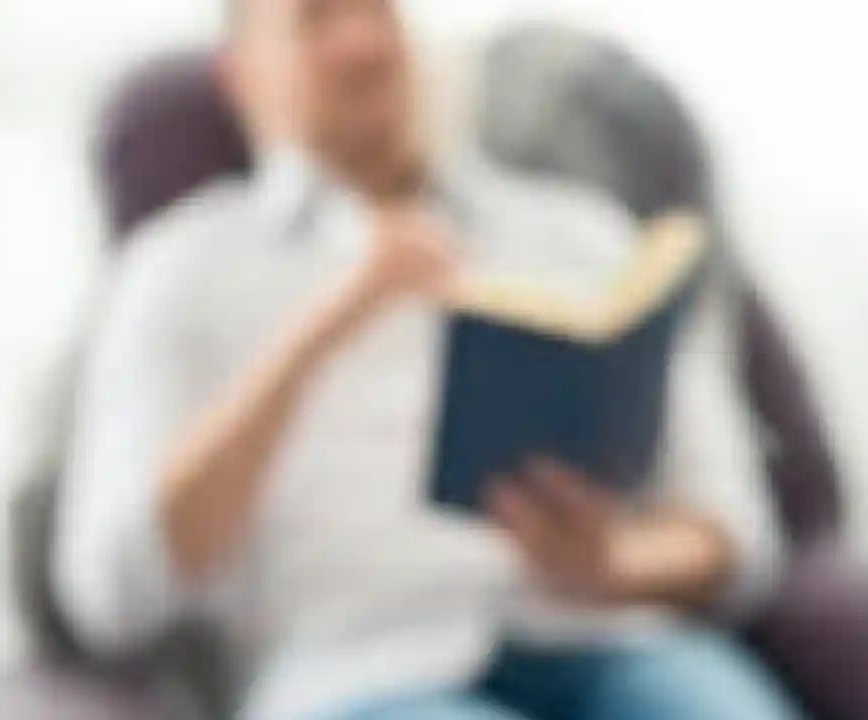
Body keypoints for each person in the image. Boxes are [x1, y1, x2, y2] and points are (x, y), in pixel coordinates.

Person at [54, 1, 801, 718]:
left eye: (379, 10)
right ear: (242, 75)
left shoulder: (582, 234)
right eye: (316, 17)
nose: (363, 44)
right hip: (359, 669)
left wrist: (613, 564)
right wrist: (325, 328)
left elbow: (738, 533)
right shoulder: (181, 270)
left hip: (608, 639)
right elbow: (111, 594)